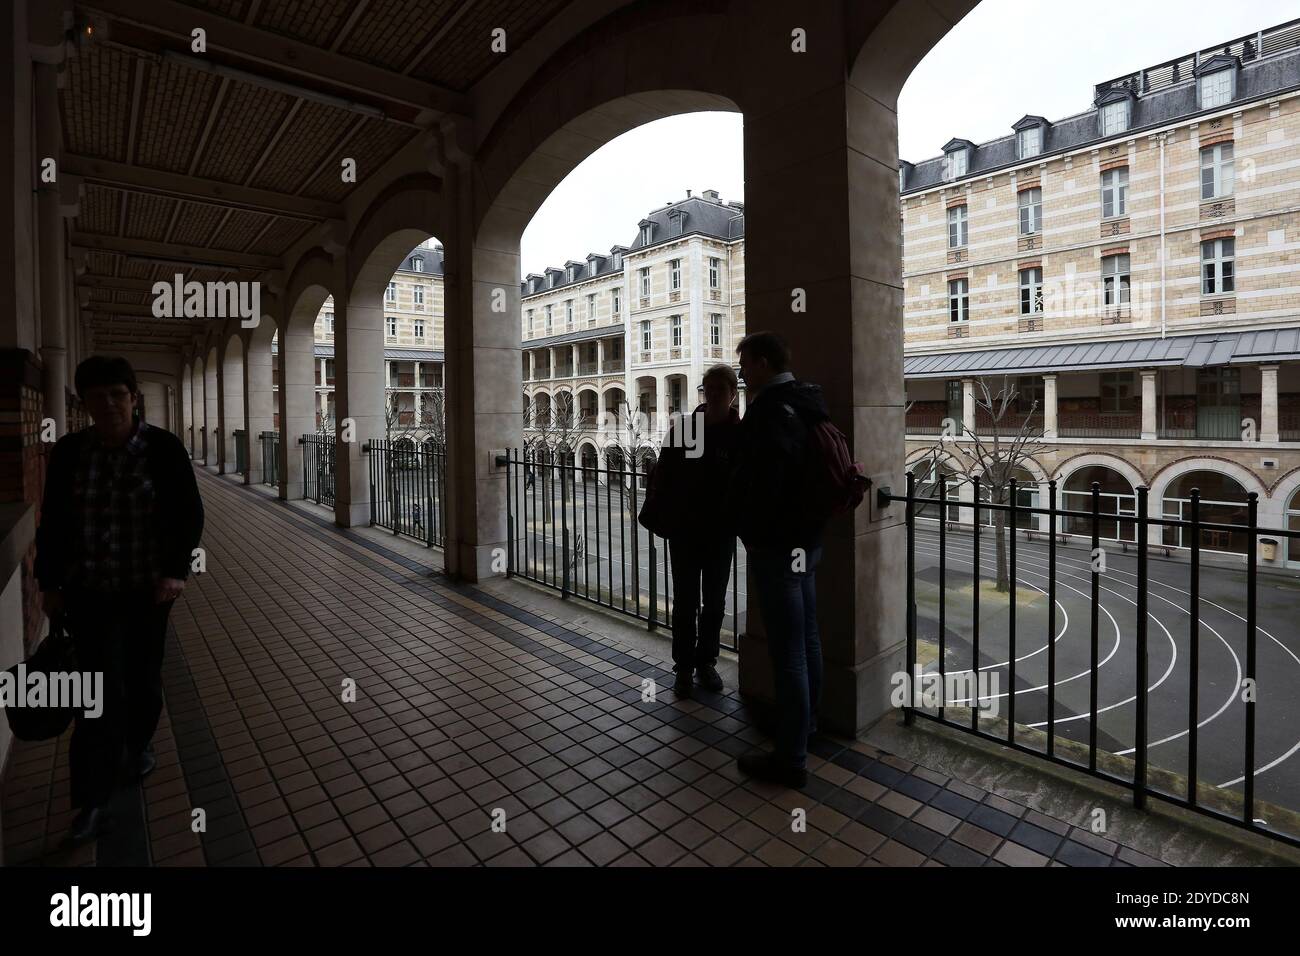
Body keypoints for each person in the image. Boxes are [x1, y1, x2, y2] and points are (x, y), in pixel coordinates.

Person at [35, 356, 204, 842]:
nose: (107, 404)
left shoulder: (162, 448)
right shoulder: (70, 451)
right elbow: (52, 522)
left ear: (133, 397)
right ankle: (92, 800)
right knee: (97, 693)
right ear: (84, 402)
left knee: (143, 678)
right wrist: (49, 584)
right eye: (95, 396)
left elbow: (188, 512)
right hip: (88, 594)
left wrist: (176, 573)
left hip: (147, 592)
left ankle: (140, 740)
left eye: (116, 394)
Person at [729, 331, 830, 789]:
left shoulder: (770, 410)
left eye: (745, 364)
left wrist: (749, 530)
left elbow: (764, 483)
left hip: (778, 542)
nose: (742, 374)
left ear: (764, 363)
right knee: (807, 637)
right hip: (809, 539)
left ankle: (790, 759)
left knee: (787, 651)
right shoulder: (809, 399)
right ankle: (807, 726)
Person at [644, 365, 741, 696]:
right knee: (685, 600)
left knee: (714, 601)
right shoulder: (685, 429)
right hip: (685, 530)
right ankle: (684, 666)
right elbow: (664, 474)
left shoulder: (739, 434)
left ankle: (706, 662)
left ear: (733, 393)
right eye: (708, 388)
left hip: (719, 532)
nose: (713, 393)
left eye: (719, 388)